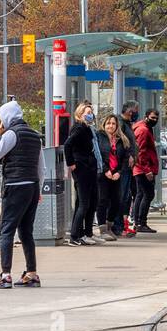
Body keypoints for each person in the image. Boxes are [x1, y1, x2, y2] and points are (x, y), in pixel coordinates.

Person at [0, 99, 44, 289]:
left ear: (7, 117)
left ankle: (5, 274)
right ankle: (31, 272)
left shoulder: (11, 134)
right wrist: (39, 188)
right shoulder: (35, 136)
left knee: (7, 230)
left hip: (15, 185)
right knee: (26, 231)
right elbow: (40, 167)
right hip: (32, 186)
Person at [64, 102, 101, 246]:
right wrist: (71, 163)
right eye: (87, 112)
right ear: (80, 114)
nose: (90, 114)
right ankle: (74, 236)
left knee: (90, 202)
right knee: (84, 203)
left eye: (91, 111)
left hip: (89, 168)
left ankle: (84, 233)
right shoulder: (79, 128)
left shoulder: (87, 128)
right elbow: (68, 145)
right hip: (82, 168)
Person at [95, 113, 128, 239]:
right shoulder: (99, 137)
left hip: (116, 174)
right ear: (104, 124)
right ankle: (102, 229)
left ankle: (109, 226)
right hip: (103, 174)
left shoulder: (121, 139)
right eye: (108, 123)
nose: (111, 126)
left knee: (117, 201)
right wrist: (105, 170)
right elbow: (98, 155)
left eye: (113, 123)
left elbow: (125, 158)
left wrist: (119, 172)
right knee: (102, 200)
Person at [130, 108, 160, 234]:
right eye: (153, 117)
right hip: (143, 168)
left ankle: (137, 222)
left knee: (141, 194)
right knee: (147, 194)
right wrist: (147, 170)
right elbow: (141, 152)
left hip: (140, 168)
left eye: (156, 118)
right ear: (146, 116)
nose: (155, 120)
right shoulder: (143, 130)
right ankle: (141, 222)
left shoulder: (143, 127)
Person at [118, 101, 140, 234]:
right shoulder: (121, 124)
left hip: (129, 166)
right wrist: (129, 155)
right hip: (124, 166)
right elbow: (121, 142)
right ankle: (119, 225)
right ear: (129, 111)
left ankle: (124, 224)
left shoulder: (127, 124)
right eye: (135, 110)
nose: (135, 113)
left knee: (127, 196)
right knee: (122, 195)